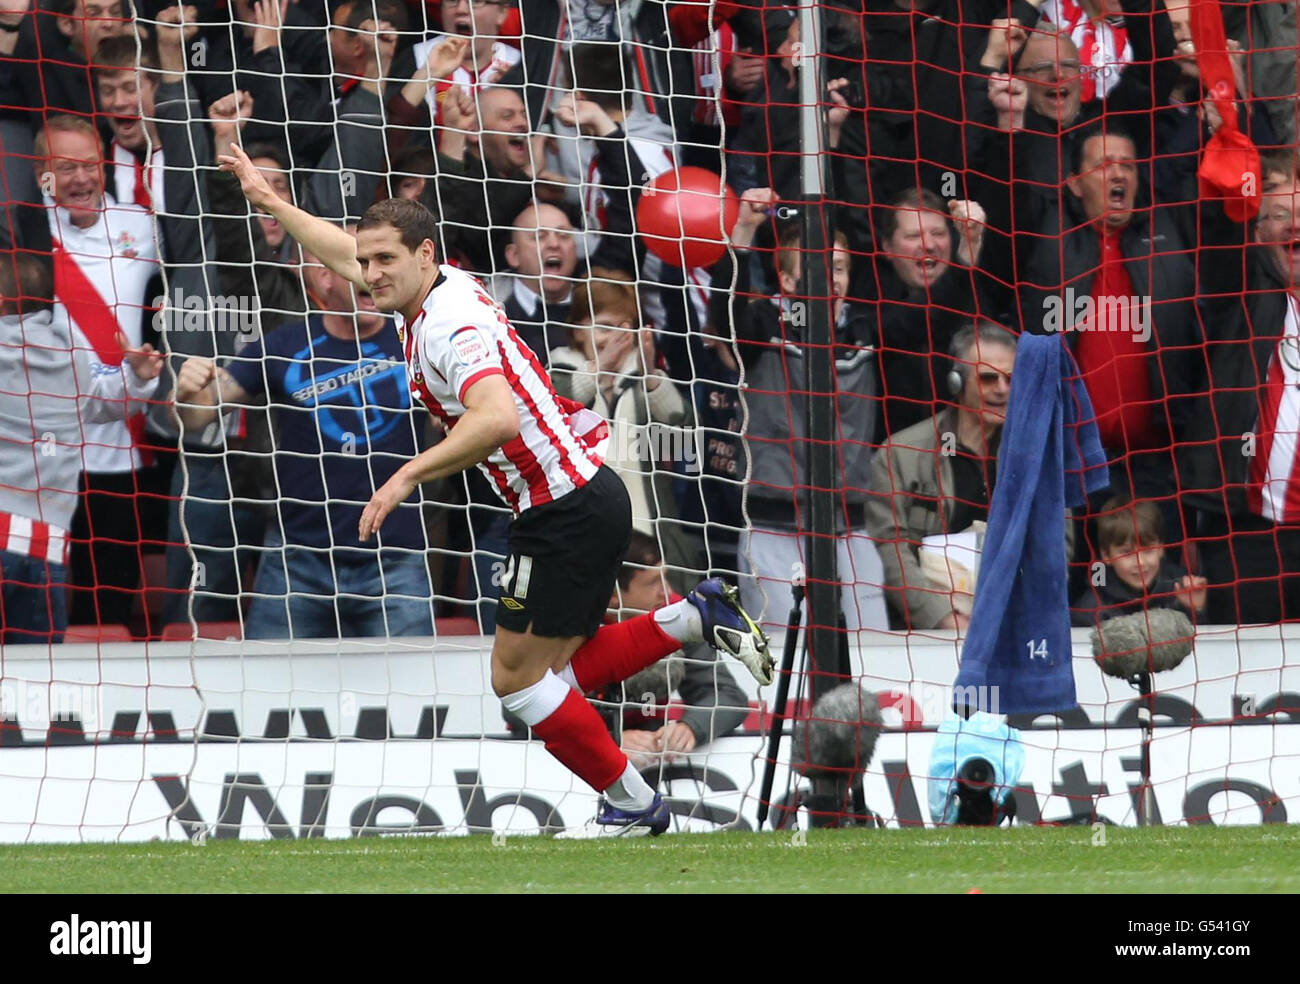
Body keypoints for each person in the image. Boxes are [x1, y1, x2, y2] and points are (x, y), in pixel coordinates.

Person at [216, 144, 773, 836]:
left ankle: (634, 801)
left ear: (424, 254)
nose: (369, 273)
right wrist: (269, 200)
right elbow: (343, 252)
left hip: (560, 510)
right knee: (553, 674)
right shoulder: (435, 286)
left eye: (384, 260)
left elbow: (497, 417)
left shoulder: (449, 328)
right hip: (578, 496)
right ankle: (694, 618)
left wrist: (405, 474)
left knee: (518, 684)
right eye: (367, 261)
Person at [173, 233, 436, 640]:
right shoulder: (285, 344)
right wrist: (187, 392)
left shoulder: (422, 340)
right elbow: (196, 417)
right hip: (296, 561)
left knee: (414, 680)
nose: (373, 275)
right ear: (325, 277)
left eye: (382, 262)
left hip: (397, 561)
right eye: (359, 264)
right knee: (271, 679)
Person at [715, 194, 888, 633]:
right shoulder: (762, 324)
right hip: (775, 527)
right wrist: (744, 232)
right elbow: (726, 313)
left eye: (839, 268)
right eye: (817, 267)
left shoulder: (865, 328)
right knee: (784, 653)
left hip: (848, 527)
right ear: (789, 280)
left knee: (877, 649)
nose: (831, 278)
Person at [0, 253, 162, 644]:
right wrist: (138, 378)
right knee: (36, 678)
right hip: (46, 552)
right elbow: (104, 402)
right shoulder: (68, 360)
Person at [865, 322, 1063, 631]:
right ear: (956, 382)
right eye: (988, 378)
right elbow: (890, 548)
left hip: (1017, 620)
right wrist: (941, 616)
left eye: (1012, 378)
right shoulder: (900, 454)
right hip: (930, 631)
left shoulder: (1039, 454)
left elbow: (1057, 543)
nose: (1002, 389)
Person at [589, 532, 748, 772]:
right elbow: (530, 712)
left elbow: (728, 697)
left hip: (651, 740)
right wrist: (606, 740)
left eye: (665, 576)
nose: (666, 590)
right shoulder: (567, 628)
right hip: (574, 750)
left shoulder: (677, 614)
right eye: (653, 582)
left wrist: (691, 727)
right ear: (613, 596)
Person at [1071, 495, 1206, 626]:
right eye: (1127, 553)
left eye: (1148, 550)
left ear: (1161, 548)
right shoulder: (1091, 608)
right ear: (1106, 555)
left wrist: (1194, 609)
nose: (1140, 562)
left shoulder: (1181, 587)